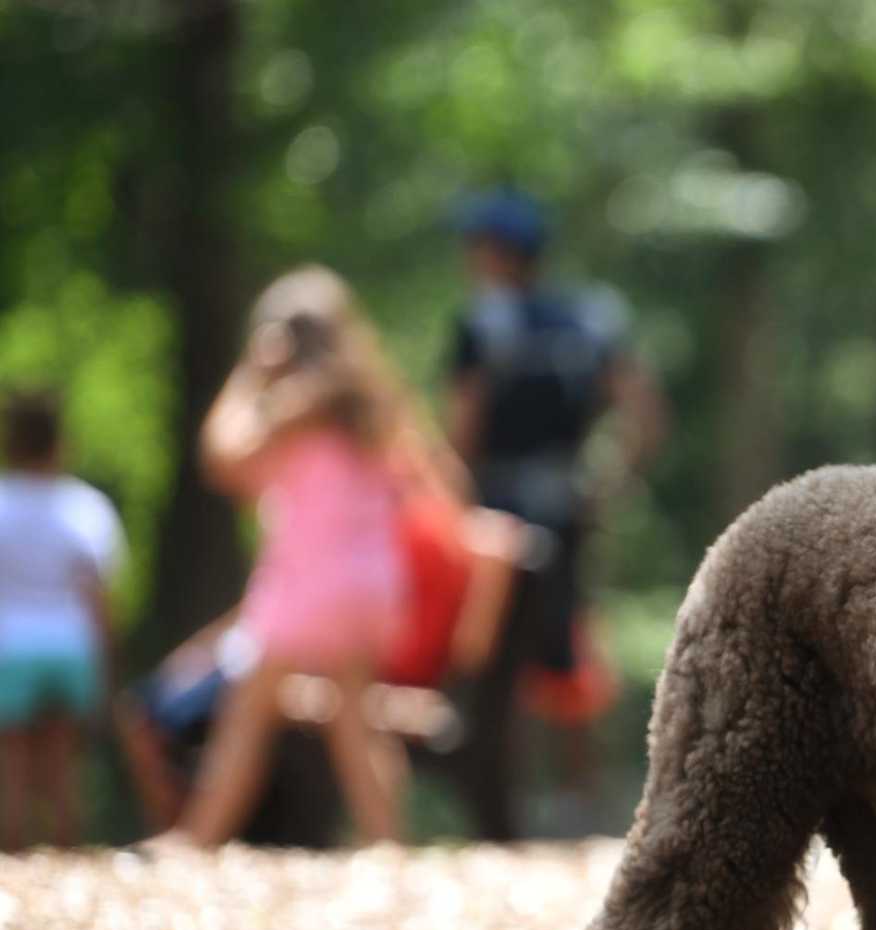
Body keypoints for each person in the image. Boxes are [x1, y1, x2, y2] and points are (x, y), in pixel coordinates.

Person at [146, 266, 459, 850]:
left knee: (247, 709)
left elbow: (221, 455)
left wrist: (248, 372)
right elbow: (442, 488)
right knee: (355, 717)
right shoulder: (376, 405)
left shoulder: (296, 404)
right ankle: (386, 842)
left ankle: (198, 838)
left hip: (308, 582)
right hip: (371, 584)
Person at [445, 187, 666, 838]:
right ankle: (582, 803)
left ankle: (504, 810)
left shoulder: (483, 324)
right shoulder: (589, 319)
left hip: (497, 514)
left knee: (496, 658)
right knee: (569, 640)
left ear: (494, 251)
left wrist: (453, 506)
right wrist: (607, 478)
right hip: (568, 506)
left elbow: (462, 427)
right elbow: (645, 413)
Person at [0, 391, 124, 849]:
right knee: (62, 757)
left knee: (11, 758)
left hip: (9, 642)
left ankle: (11, 855)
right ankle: (66, 852)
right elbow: (97, 595)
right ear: (60, 443)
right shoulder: (85, 507)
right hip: (69, 644)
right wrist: (109, 666)